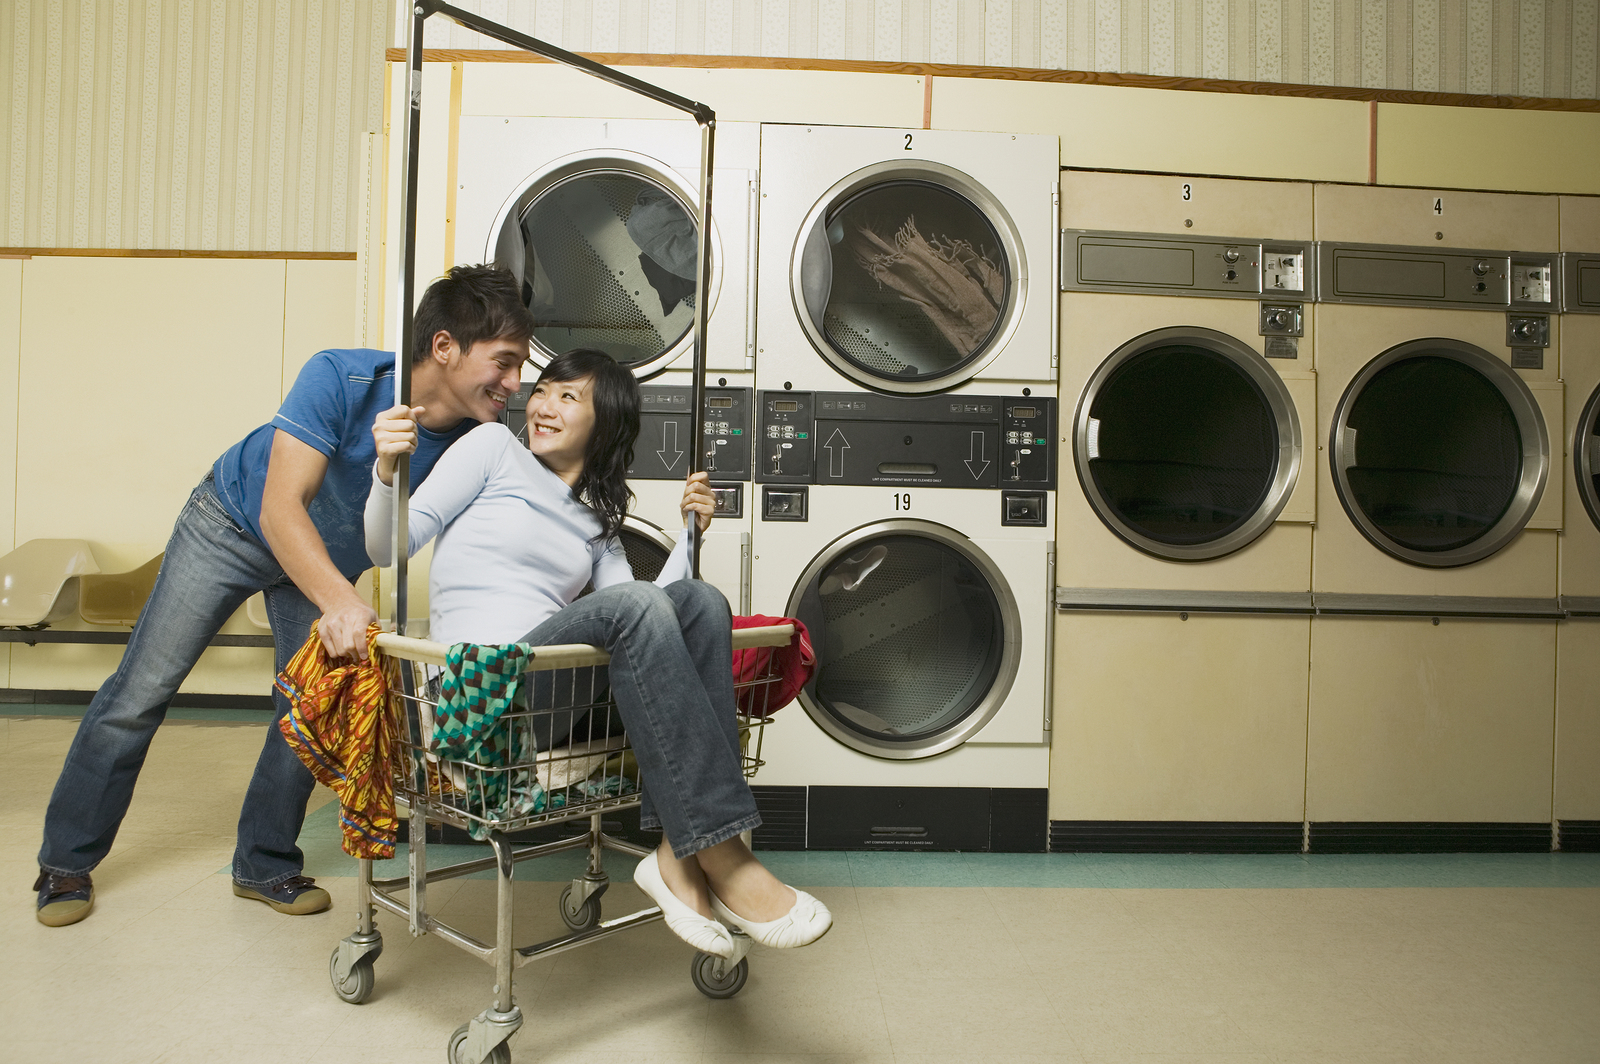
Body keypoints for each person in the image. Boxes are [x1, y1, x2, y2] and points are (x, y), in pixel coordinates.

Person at [33, 265, 536, 927]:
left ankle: (263, 862)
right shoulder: (343, 378)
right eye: (504, 363)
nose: (515, 383)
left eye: (521, 367)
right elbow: (280, 509)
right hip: (233, 525)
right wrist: (342, 602)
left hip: (325, 561)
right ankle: (65, 862)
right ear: (444, 347)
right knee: (142, 688)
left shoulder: (480, 442)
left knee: (311, 706)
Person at [364, 349, 831, 957]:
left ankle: (676, 855)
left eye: (568, 397)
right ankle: (720, 852)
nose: (542, 405)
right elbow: (386, 547)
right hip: (488, 686)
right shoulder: (489, 448)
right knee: (643, 605)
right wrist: (385, 469)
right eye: (544, 390)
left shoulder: (597, 522)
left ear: (603, 423)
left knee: (702, 602)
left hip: (555, 699)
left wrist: (690, 535)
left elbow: (659, 618)